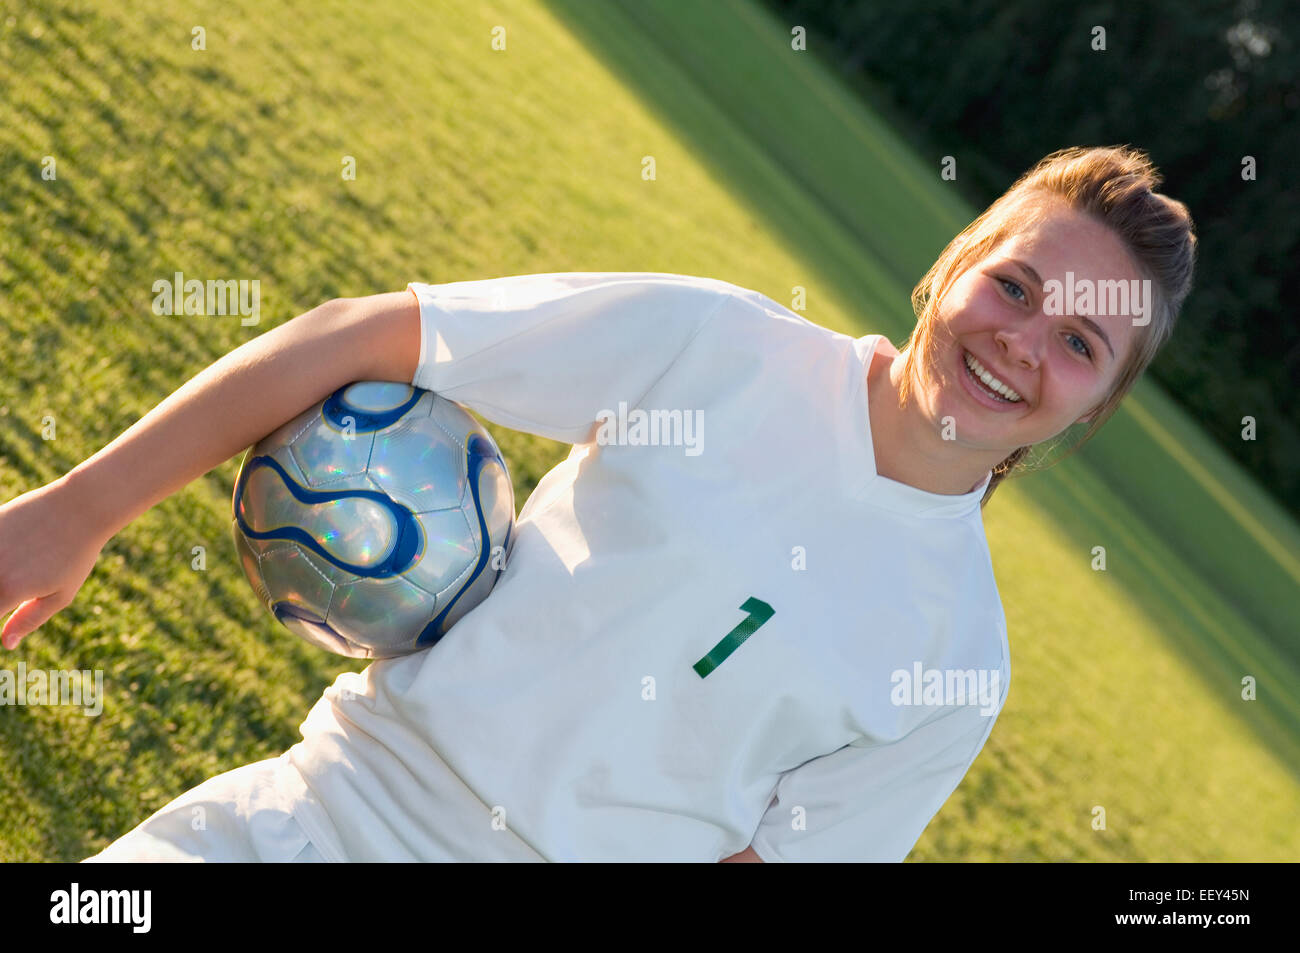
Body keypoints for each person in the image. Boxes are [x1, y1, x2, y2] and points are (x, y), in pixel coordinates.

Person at [0, 145, 1195, 862]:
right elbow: (367, 334)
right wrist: (77, 508)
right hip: (311, 816)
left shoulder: (955, 658)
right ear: (953, 261)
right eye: (1014, 280)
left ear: (1094, 410)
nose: (1020, 339)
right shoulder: (716, 347)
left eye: (1081, 341)